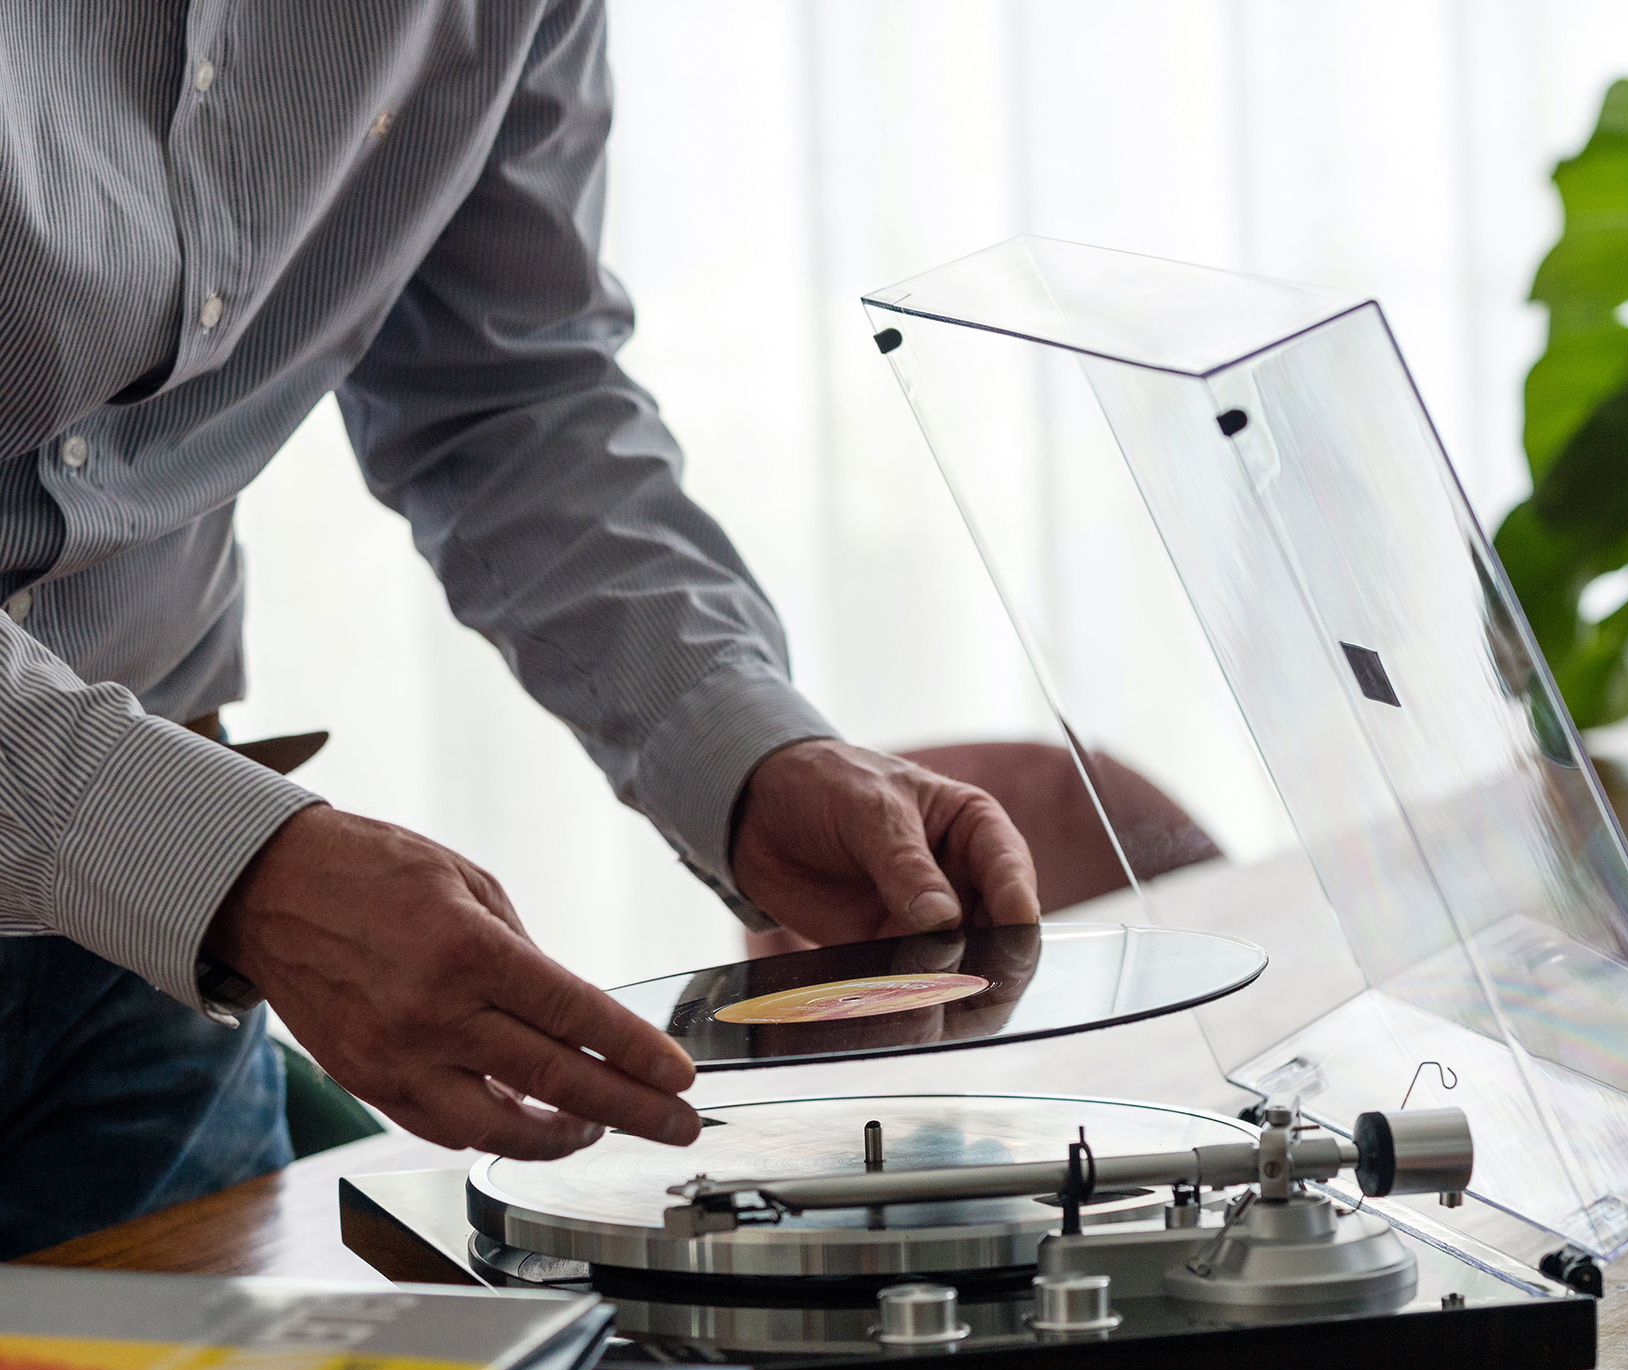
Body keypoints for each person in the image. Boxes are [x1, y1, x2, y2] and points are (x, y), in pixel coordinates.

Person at [0, 3, 1038, 1257]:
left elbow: (507, 392)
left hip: (142, 964)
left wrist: (741, 744)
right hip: (182, 871)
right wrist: (232, 867)